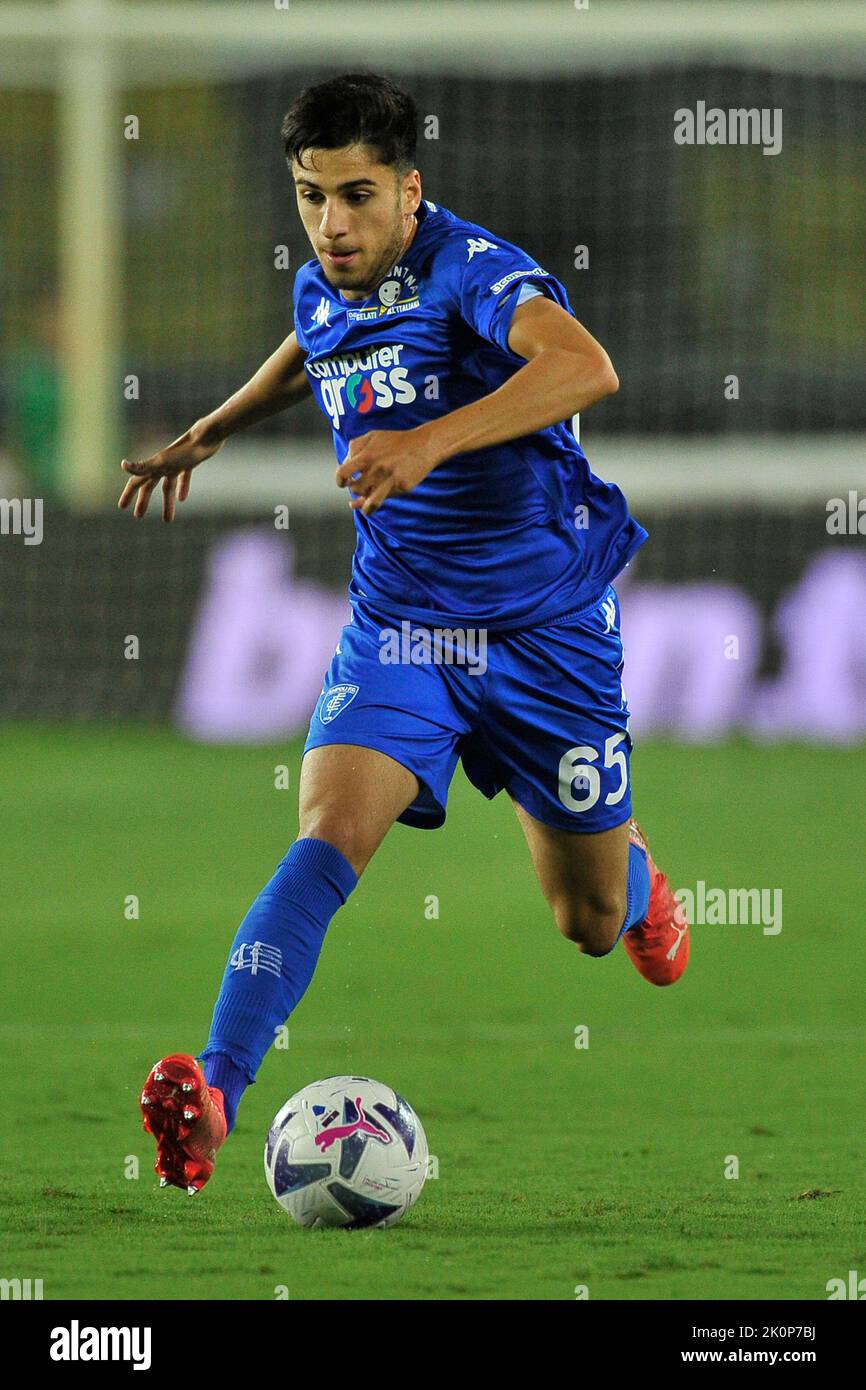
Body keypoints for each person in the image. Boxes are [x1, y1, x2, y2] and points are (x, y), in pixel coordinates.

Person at [119, 72, 689, 1197]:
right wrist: (216, 426)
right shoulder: (325, 282)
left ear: (410, 192)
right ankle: (216, 1091)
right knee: (329, 834)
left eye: (357, 196)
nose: (332, 224)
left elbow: (584, 367)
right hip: (403, 627)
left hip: (547, 633)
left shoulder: (471, 269)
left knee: (582, 921)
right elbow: (317, 344)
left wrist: (427, 442)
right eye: (310, 196)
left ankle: (630, 873)